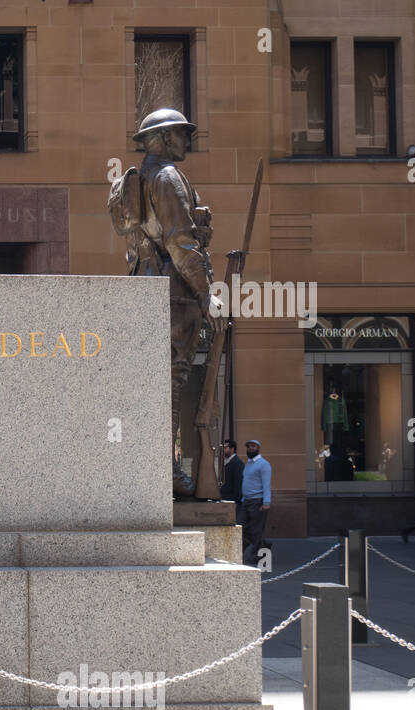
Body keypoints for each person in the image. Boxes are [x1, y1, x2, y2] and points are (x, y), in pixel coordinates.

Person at [117, 108, 218, 497]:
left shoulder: (139, 178)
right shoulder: (167, 177)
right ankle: (167, 471)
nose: (186, 140)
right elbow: (181, 241)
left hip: (145, 291)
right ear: (160, 138)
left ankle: (154, 469)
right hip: (173, 294)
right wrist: (205, 291)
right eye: (180, 133)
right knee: (171, 384)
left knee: (153, 386)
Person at [239, 439, 271, 566]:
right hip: (246, 501)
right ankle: (263, 545)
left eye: (253, 446)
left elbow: (266, 484)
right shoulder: (248, 464)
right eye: (248, 447)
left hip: (257, 501)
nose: (250, 448)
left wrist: (266, 502)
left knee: (256, 529)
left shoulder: (264, 464)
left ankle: (258, 555)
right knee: (241, 526)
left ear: (258, 448)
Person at [220, 438, 244, 504]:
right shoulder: (228, 462)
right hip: (226, 499)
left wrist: (234, 500)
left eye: (225, 447)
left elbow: (238, 484)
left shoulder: (237, 463)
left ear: (232, 449)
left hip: (233, 501)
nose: (223, 450)